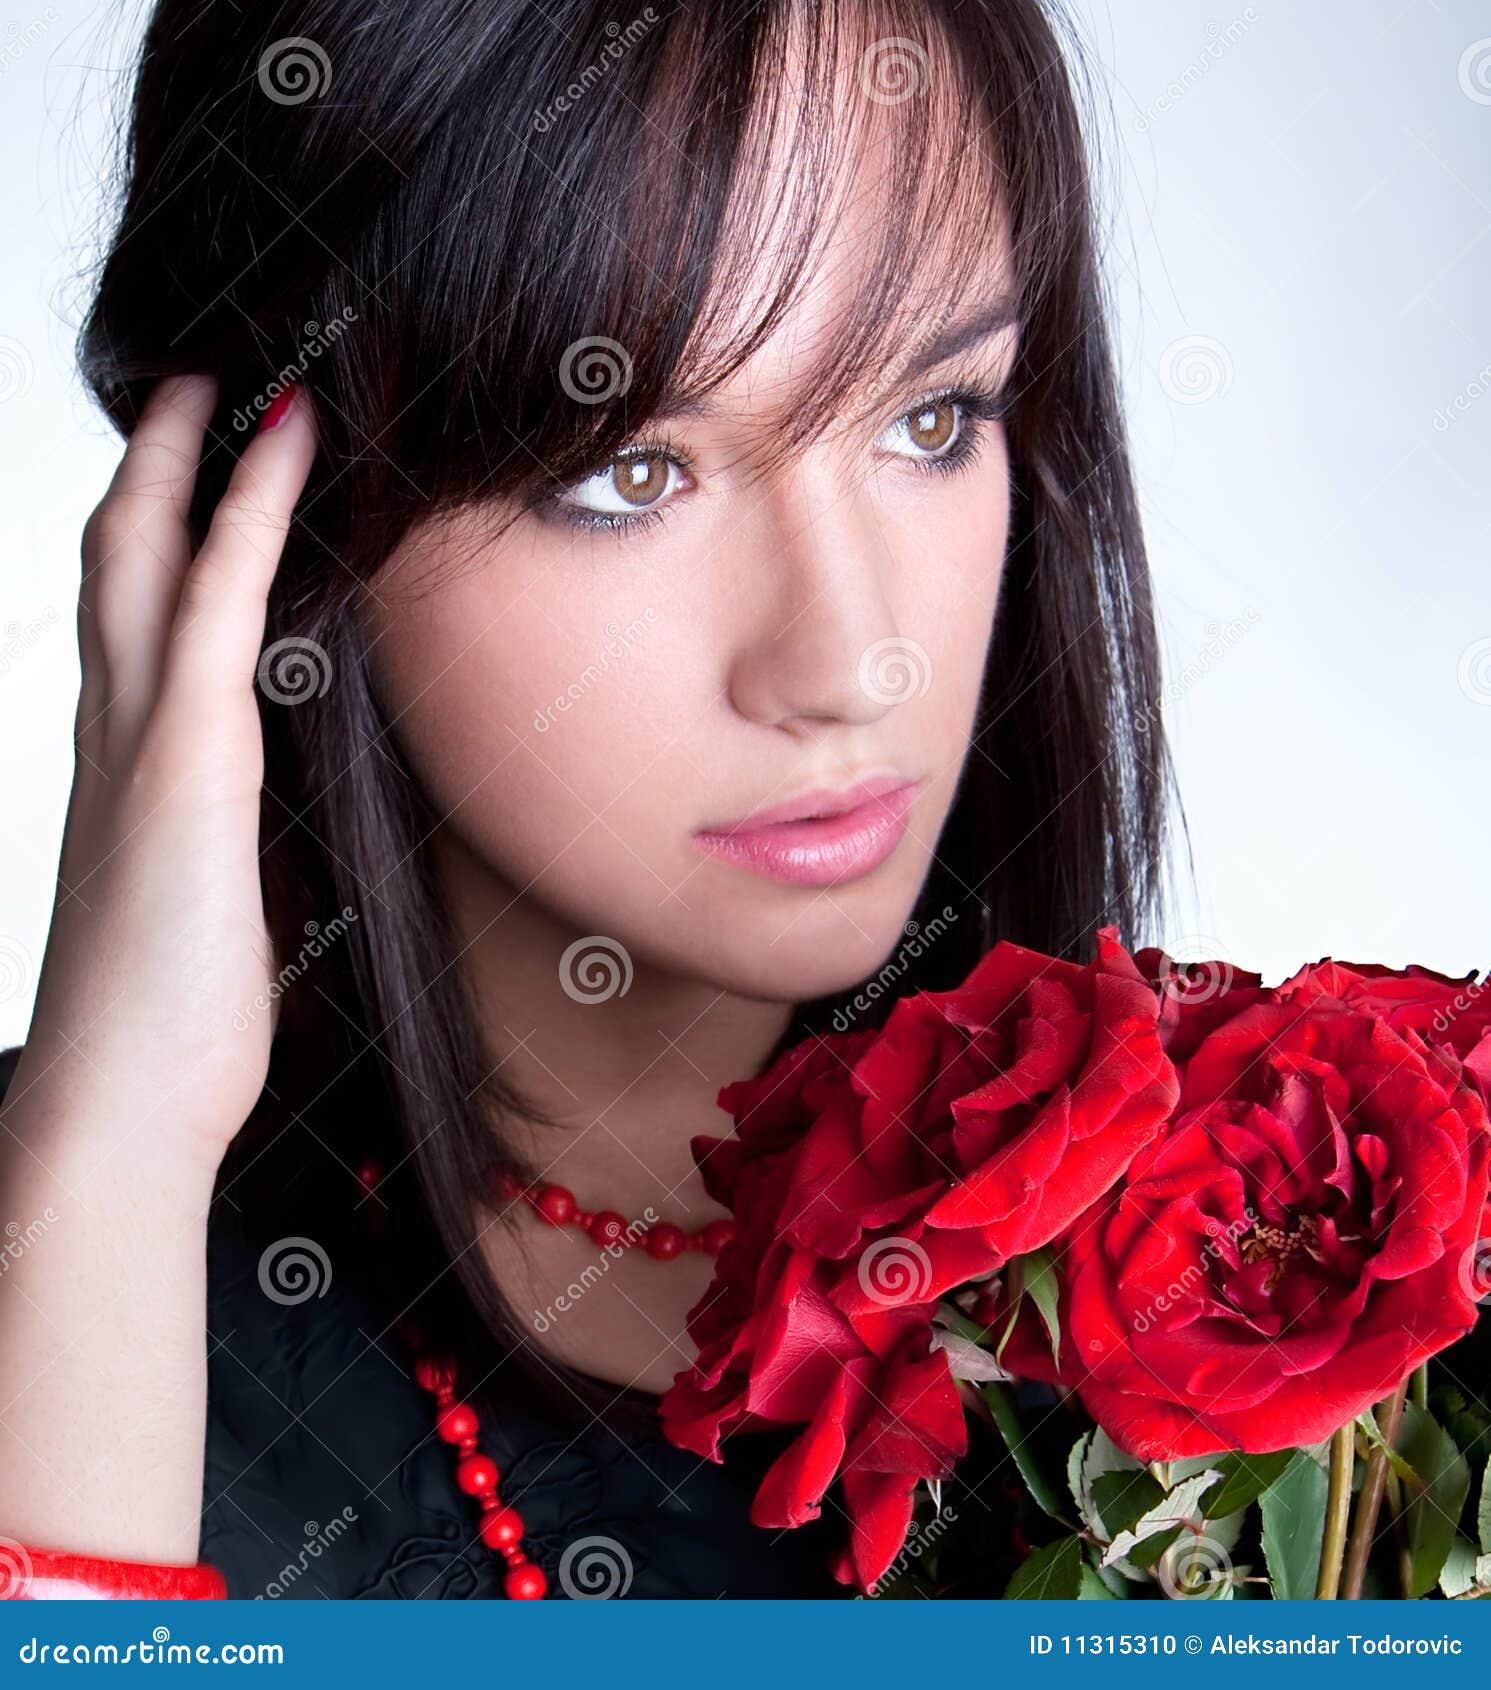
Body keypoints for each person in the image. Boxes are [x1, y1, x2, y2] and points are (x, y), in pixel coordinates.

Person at [0, 0, 1176, 1598]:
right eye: (631, 471)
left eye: (928, 419)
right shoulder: (85, 1228)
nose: (848, 664)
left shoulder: (1297, 1267)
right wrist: (114, 1150)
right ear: (273, 523)